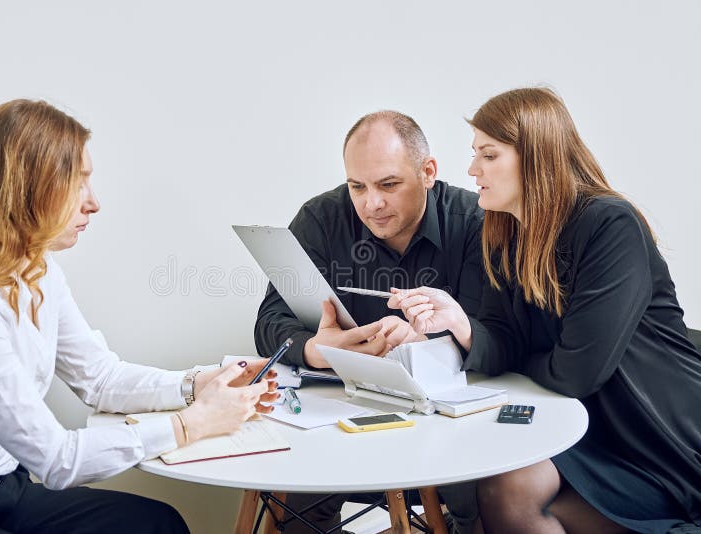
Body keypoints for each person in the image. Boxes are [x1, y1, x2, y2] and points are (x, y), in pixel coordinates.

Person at [0, 99, 280, 534]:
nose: (94, 203)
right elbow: (57, 460)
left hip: (6, 487)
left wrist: (196, 384)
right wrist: (190, 424)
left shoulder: (37, 274)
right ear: (28, 186)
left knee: (156, 525)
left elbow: (99, 379)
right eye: (78, 182)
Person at [390, 87, 701, 533]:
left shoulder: (609, 225)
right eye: (475, 154)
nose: (472, 169)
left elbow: (578, 371)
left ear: (537, 157)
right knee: (504, 485)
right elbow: (503, 342)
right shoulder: (502, 235)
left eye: (489, 155)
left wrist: (519, 361)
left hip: (655, 440)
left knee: (510, 490)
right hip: (582, 428)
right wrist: (461, 325)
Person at [254, 111, 484, 533]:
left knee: (479, 493)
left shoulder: (473, 221)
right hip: (341, 411)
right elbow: (269, 321)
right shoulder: (322, 218)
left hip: (447, 419)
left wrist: (432, 337)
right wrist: (318, 350)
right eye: (356, 186)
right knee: (299, 493)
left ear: (428, 172)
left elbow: (495, 330)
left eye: (389, 185)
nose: (371, 203)